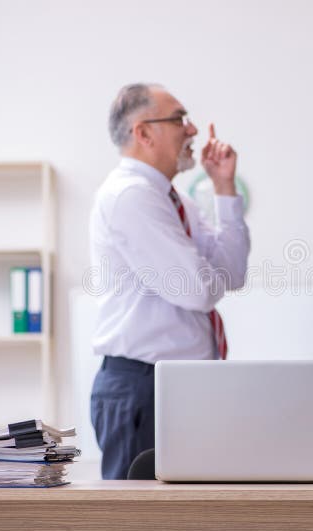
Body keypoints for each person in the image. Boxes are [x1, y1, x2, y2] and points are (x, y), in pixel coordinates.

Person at [89, 83, 250, 479]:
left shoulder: (174, 200)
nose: (193, 129)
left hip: (179, 385)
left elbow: (232, 273)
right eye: (179, 119)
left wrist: (224, 187)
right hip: (143, 386)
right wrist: (202, 273)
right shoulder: (131, 196)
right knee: (140, 522)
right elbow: (197, 290)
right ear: (143, 133)